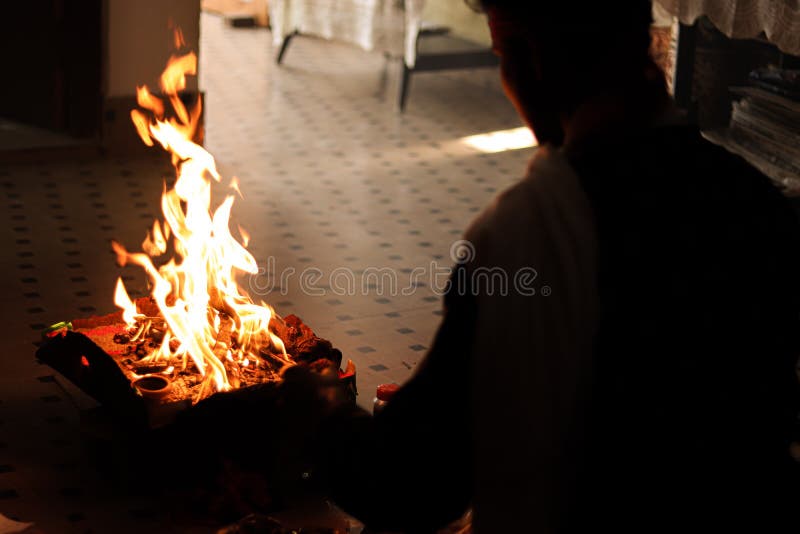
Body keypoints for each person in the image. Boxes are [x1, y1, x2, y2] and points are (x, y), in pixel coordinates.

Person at [283, 1, 800, 532]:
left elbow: (415, 485)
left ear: (529, 61)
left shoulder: (528, 233)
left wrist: (320, 411)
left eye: (502, 55)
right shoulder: (758, 204)